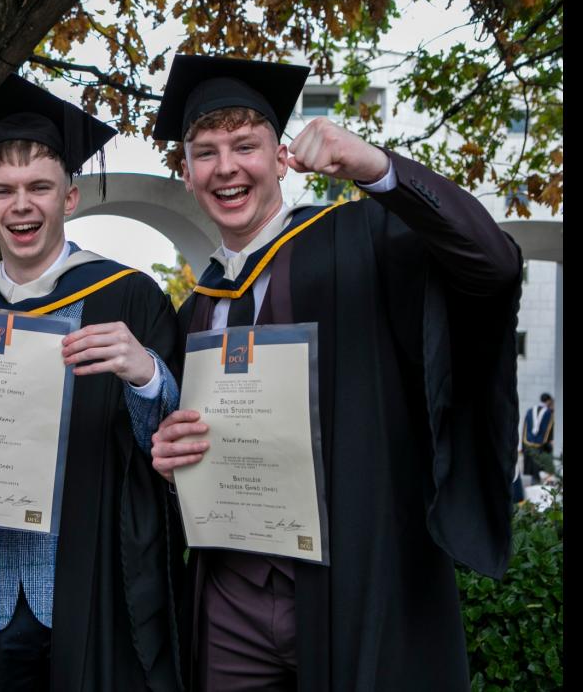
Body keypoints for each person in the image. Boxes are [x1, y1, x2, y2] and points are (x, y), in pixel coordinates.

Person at [148, 55, 521, 691]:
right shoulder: (194, 308)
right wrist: (170, 445)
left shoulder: (360, 241)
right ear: (187, 173)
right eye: (205, 152)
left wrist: (378, 171)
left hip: (355, 581)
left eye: (245, 145)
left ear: (280, 155)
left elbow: (493, 265)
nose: (226, 167)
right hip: (229, 596)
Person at [0, 75, 185, 692]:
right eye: (2, 191)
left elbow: (177, 448)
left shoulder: (128, 297)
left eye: (39, 188)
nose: (21, 204)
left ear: (69, 199)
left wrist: (146, 376)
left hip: (93, 588)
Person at [521, 392, 555, 480]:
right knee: (540, 467)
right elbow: (550, 431)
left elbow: (525, 428)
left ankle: (534, 482)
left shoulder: (530, 410)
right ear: (548, 401)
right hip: (541, 445)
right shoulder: (549, 413)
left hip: (528, 443)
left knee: (532, 467)